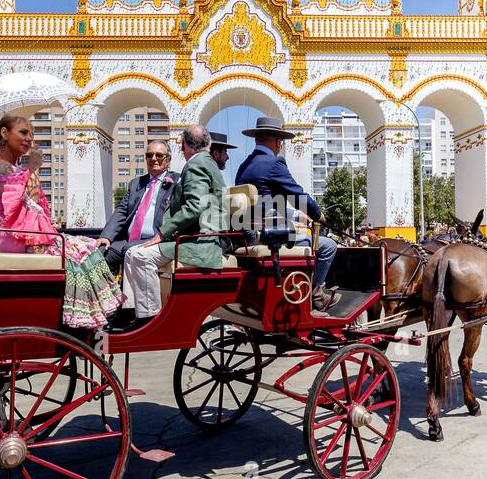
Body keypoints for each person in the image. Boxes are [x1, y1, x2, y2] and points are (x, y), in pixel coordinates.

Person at [0, 114, 123, 329]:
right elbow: (18, 205)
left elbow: (31, 205)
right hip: (6, 235)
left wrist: (28, 171)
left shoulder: (6, 165)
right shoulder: (1, 166)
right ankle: (81, 319)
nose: (29, 139)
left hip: (5, 233)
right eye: (23, 132)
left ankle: (87, 317)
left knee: (82, 245)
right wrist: (32, 169)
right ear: (5, 133)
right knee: (77, 253)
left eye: (32, 134)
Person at [119, 124, 226, 331]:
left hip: (200, 242)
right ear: (208, 143)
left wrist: (162, 233)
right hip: (195, 238)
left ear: (184, 144)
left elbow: (196, 205)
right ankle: (132, 313)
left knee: (140, 256)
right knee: (132, 253)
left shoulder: (196, 165)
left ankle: (150, 320)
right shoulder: (208, 162)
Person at [234, 115, 338, 311]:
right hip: (270, 236)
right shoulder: (274, 163)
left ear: (257, 139)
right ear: (277, 141)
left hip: (251, 232)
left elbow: (266, 202)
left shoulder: (244, 166)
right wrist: (318, 214)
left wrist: (297, 217)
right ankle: (316, 295)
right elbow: (297, 194)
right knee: (328, 246)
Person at [95, 140, 179, 274]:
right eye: (149, 155)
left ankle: (128, 294)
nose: (153, 159)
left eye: (159, 155)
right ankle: (106, 293)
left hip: (155, 241)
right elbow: (121, 211)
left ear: (168, 160)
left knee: (130, 250)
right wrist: (107, 236)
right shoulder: (136, 183)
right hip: (128, 240)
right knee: (97, 254)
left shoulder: (177, 182)